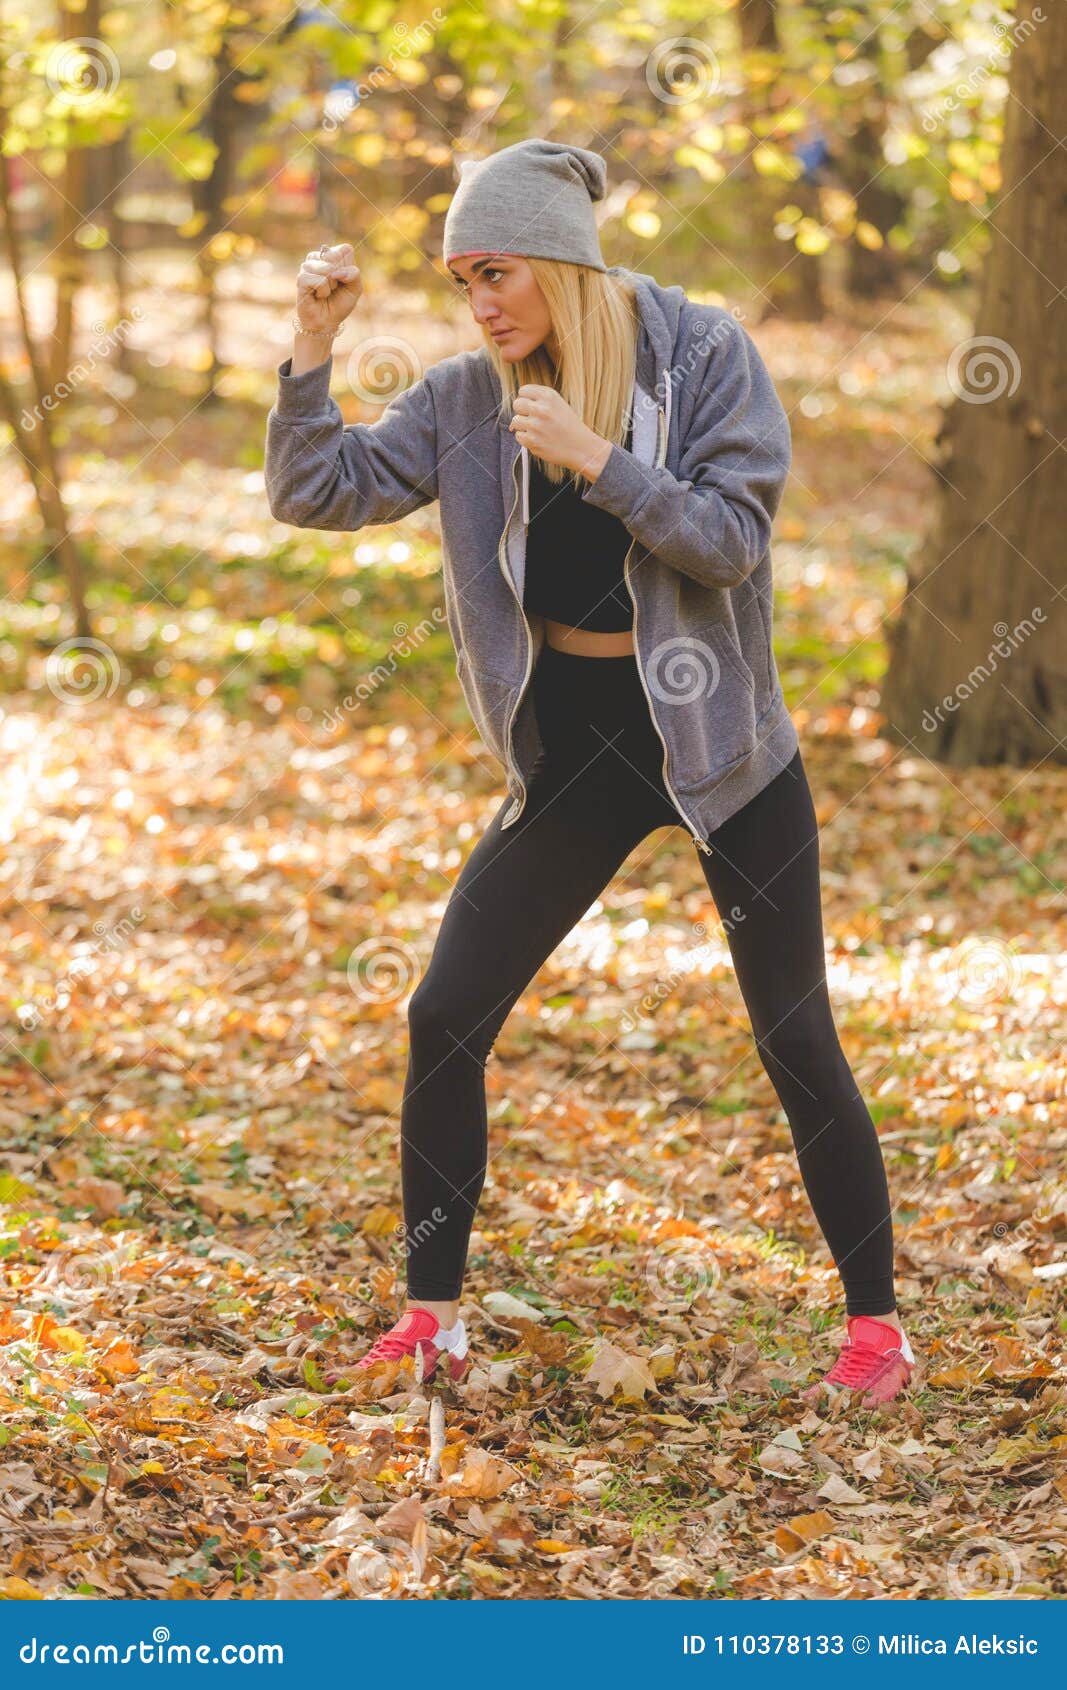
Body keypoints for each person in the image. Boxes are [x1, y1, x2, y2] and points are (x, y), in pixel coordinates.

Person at [264, 138, 916, 1408]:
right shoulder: (467, 397)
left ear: (560, 262)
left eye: (496, 271)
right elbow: (314, 489)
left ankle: (878, 1327)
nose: (480, 304)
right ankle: (433, 1317)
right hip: (577, 754)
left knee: (793, 1034)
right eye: (460, 282)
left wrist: (597, 461)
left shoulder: (702, 354)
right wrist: (309, 348)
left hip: (720, 749)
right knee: (444, 1013)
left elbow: (730, 541)